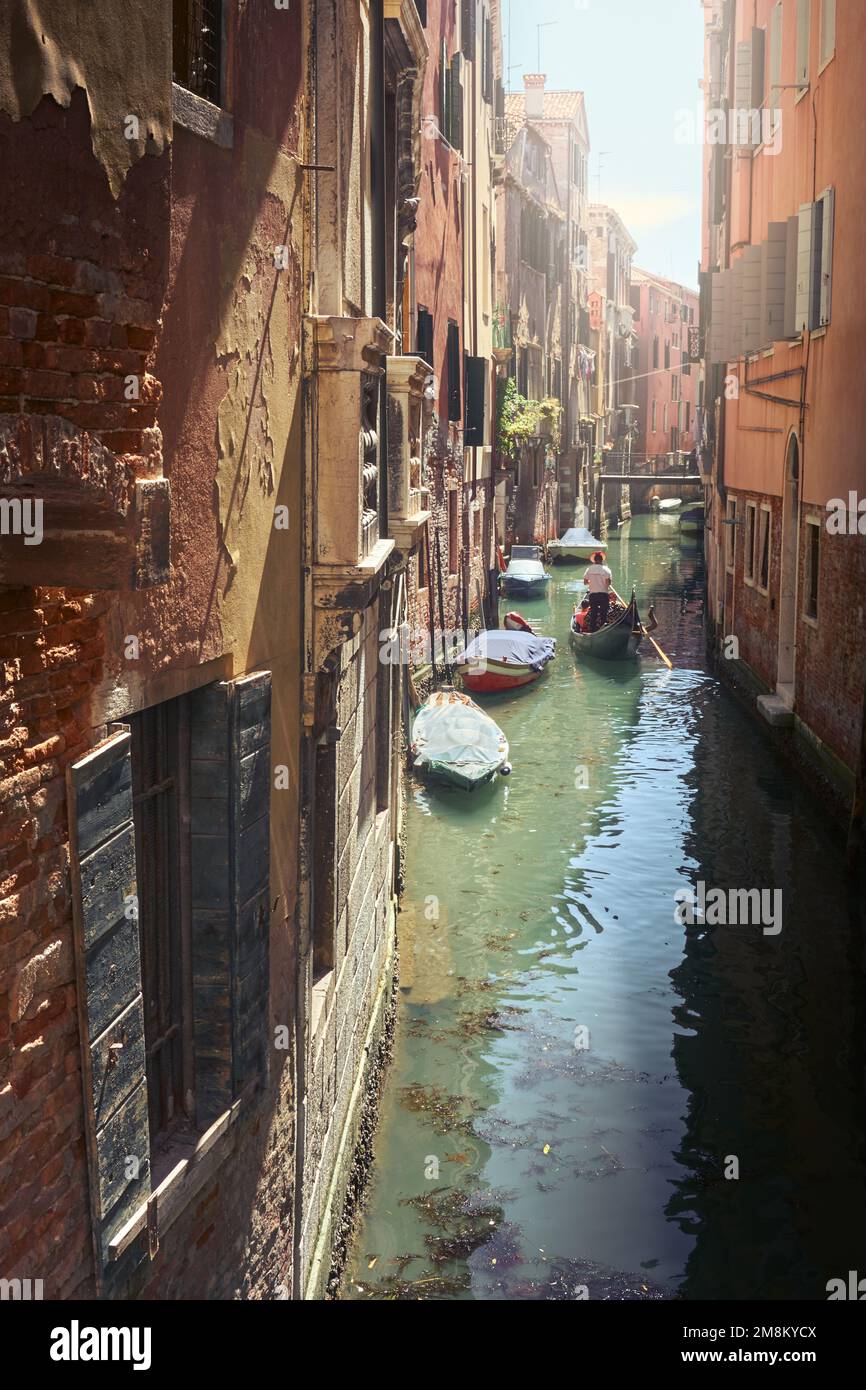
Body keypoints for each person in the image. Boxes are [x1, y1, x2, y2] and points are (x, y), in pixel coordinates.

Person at [583, 550, 612, 632]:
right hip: (603, 595)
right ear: (602, 560)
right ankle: (603, 629)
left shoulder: (589, 570)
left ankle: (592, 629)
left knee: (593, 613)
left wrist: (592, 582)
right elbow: (608, 583)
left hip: (593, 595)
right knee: (603, 614)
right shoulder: (607, 570)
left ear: (594, 560)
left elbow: (585, 582)